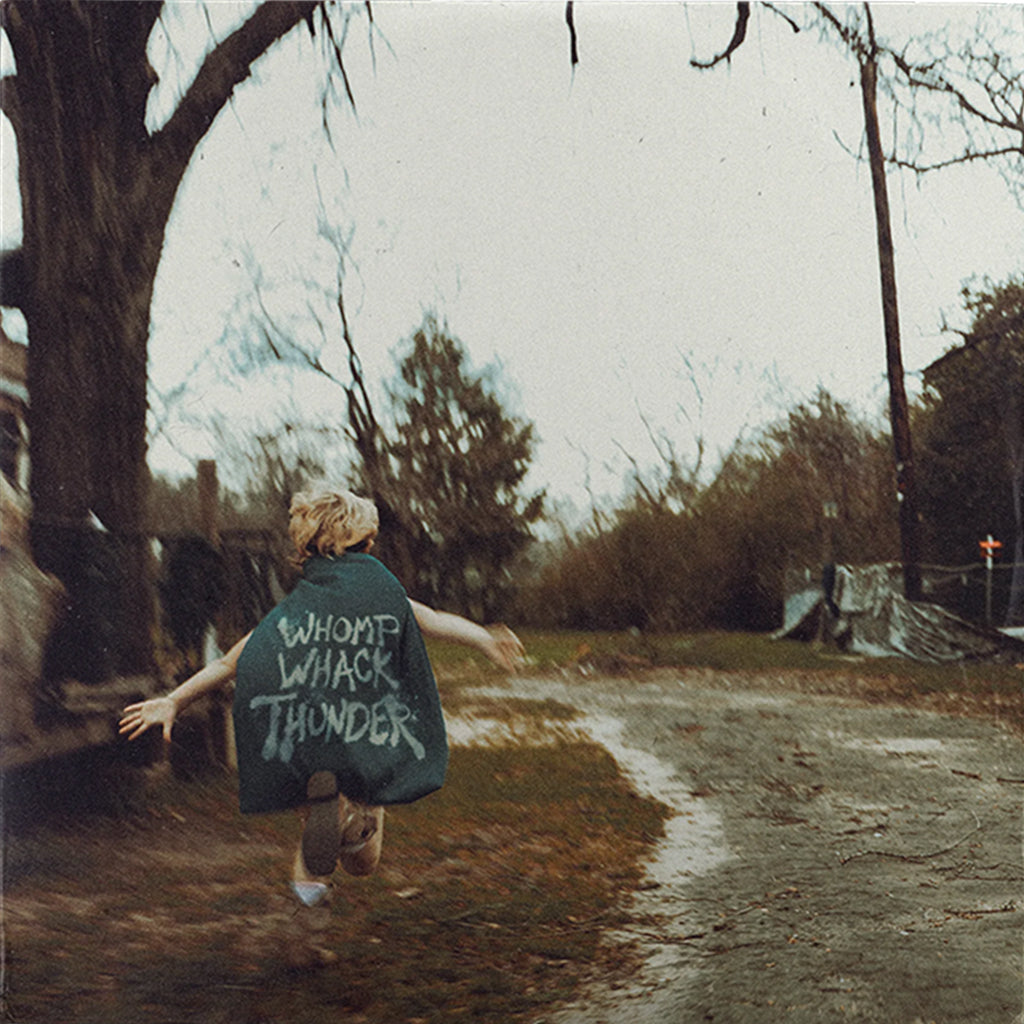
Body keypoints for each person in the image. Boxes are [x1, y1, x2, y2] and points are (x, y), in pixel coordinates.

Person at [120, 487, 524, 907]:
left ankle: (308, 911)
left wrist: (174, 700)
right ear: (363, 544)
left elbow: (230, 662)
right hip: (365, 736)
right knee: (363, 861)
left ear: (304, 548)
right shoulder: (381, 592)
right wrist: (483, 638)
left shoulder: (297, 608)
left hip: (305, 738)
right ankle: (350, 823)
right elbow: (431, 620)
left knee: (317, 833)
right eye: (369, 541)